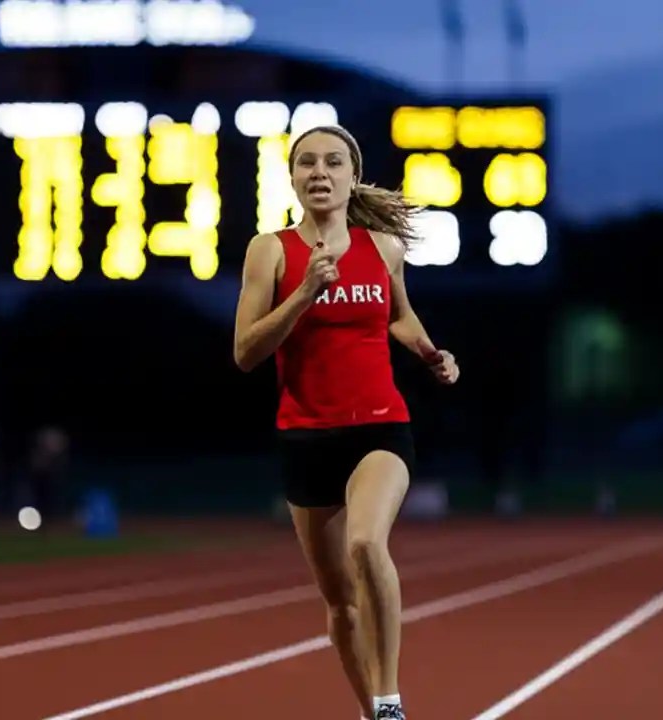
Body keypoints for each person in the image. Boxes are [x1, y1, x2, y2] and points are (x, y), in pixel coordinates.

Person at [232, 125, 459, 720]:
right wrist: (305, 291)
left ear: (352, 176)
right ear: (293, 178)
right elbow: (246, 351)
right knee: (340, 604)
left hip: (380, 428)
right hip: (306, 436)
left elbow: (400, 317)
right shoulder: (271, 250)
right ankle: (370, 711)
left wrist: (433, 354)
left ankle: (389, 703)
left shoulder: (382, 248)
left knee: (365, 542)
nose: (319, 172)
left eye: (333, 162)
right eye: (307, 162)